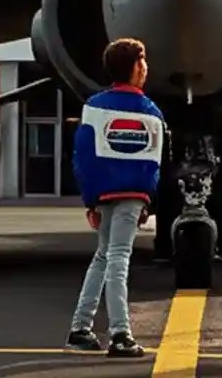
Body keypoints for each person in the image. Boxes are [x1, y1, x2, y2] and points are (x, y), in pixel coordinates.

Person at [65, 37, 165, 359]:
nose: (146, 67)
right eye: (143, 61)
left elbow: (84, 157)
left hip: (105, 195)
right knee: (119, 258)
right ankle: (121, 333)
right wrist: (147, 200)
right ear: (137, 67)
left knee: (104, 256)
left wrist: (91, 200)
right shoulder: (152, 111)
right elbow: (154, 161)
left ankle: (80, 328)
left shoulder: (93, 107)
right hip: (132, 195)